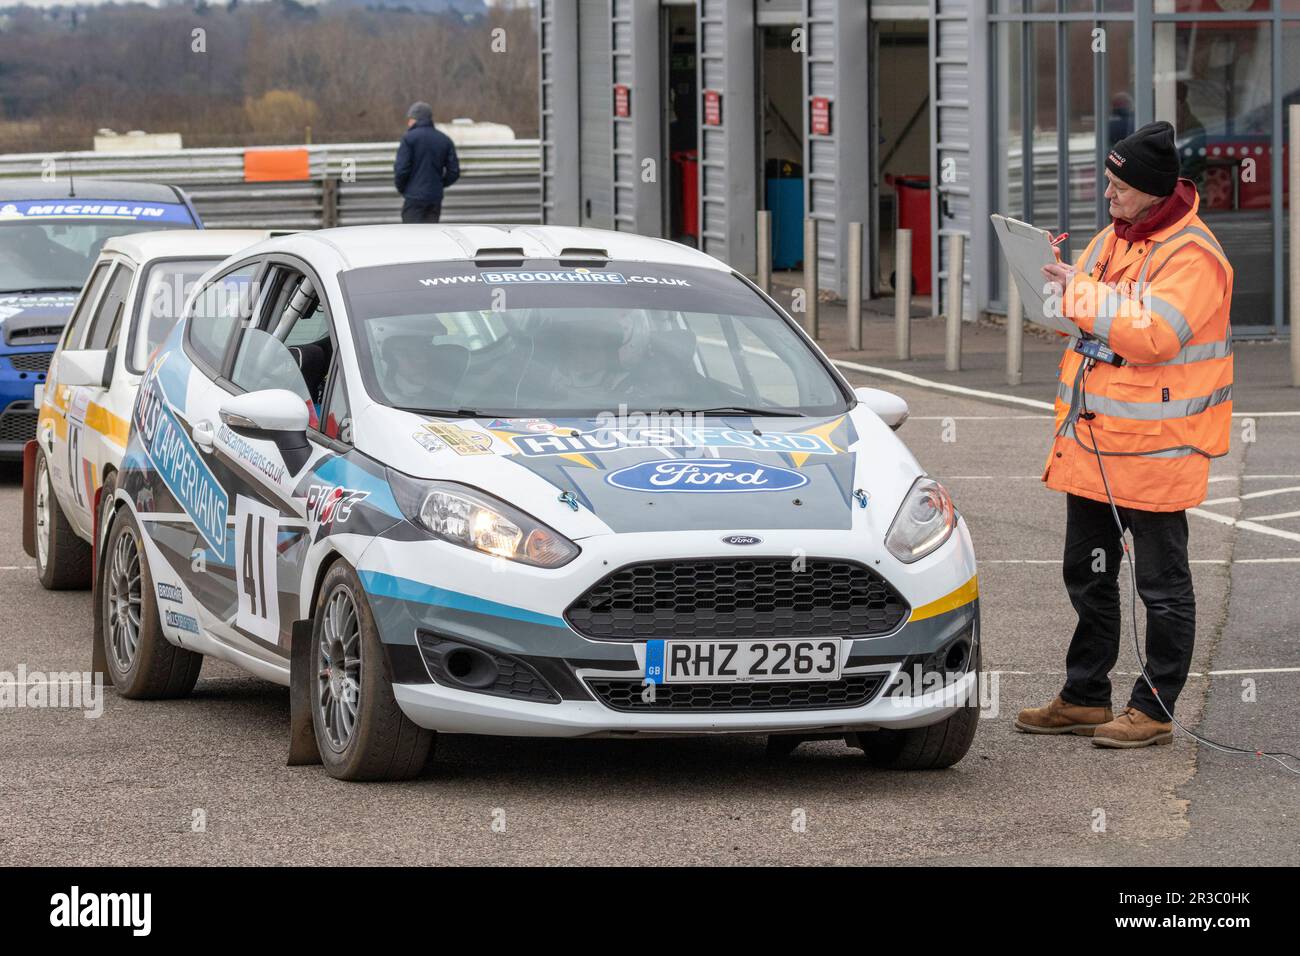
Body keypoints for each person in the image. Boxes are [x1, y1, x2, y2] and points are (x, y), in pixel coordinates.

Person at [1015, 120, 1234, 749]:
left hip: (1157, 452)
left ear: (1148, 189)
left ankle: (1154, 709)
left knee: (1161, 588)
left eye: (1116, 185)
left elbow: (1151, 336)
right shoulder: (1115, 238)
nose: (1105, 195)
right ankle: (1086, 696)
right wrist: (1052, 292)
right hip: (1094, 444)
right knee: (1087, 574)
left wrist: (1080, 295)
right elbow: (1089, 320)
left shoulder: (1192, 255)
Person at [394, 102, 460, 224]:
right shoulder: (444, 139)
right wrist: (439, 184)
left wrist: (403, 189)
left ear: (416, 119)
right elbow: (454, 171)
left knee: (411, 237)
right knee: (431, 237)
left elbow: (401, 169)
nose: (408, 123)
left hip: (414, 198)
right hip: (434, 198)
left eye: (411, 119)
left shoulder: (408, 138)